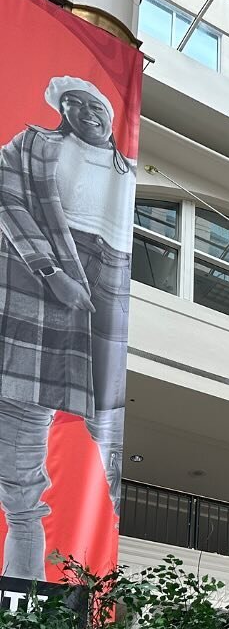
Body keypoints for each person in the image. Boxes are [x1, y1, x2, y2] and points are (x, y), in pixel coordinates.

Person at [0, 76, 135, 579]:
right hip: (38, 296)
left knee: (113, 439)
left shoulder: (130, 173)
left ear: (110, 114)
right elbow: (5, 196)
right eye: (72, 104)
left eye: (95, 104)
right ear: (63, 112)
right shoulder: (35, 144)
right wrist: (50, 271)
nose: (86, 111)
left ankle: (86, 613)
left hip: (111, 285)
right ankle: (22, 628)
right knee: (20, 484)